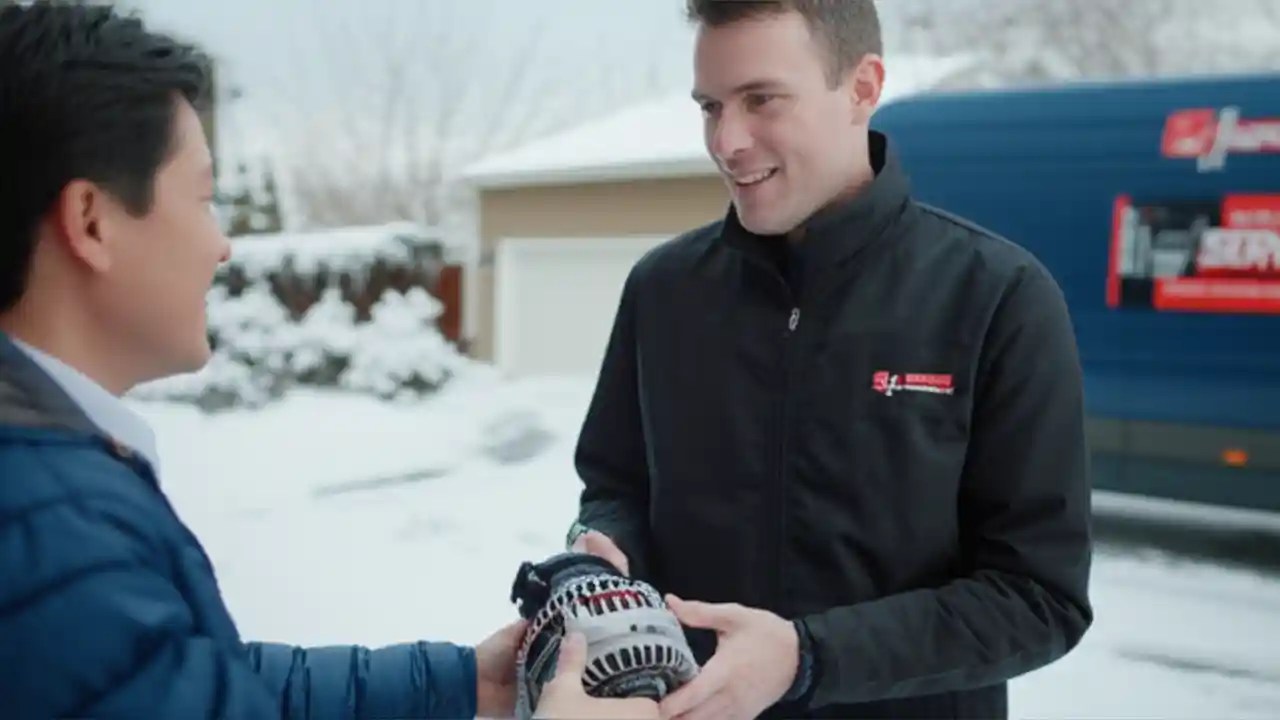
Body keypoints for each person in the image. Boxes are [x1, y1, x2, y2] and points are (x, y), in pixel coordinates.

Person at [0, 3, 659, 719]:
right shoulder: (56, 535)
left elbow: (194, 679)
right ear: (91, 222)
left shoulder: (50, 488)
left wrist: (463, 682)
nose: (222, 246)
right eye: (203, 199)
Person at [568, 1, 1094, 718]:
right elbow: (615, 486)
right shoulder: (664, 291)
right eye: (710, 106)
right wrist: (604, 554)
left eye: (762, 100)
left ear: (862, 87)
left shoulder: (997, 297)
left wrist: (809, 656)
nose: (726, 141)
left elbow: (1038, 597)